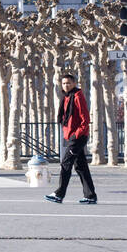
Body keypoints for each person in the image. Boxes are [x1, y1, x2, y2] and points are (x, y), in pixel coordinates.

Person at [45, 72, 97, 205]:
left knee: (66, 163)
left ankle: (59, 194)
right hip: (72, 136)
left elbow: (85, 119)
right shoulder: (67, 97)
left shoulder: (78, 96)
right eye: (63, 83)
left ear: (74, 83)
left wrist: (76, 134)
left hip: (77, 137)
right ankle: (90, 195)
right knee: (81, 167)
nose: (66, 85)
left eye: (68, 83)